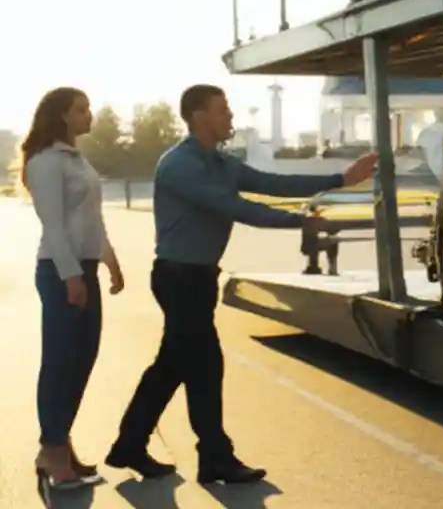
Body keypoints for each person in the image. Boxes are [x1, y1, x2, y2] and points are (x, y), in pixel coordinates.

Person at [105, 84, 377, 484]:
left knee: (176, 365)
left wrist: (341, 178)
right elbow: (234, 207)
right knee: (203, 365)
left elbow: (273, 183)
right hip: (178, 279)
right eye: (222, 110)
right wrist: (298, 222)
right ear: (198, 117)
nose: (230, 117)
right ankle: (212, 456)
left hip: (199, 279)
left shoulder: (223, 163)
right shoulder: (180, 165)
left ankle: (132, 445)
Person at [23, 87, 126, 493]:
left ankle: (58, 444)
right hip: (59, 270)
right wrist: (70, 277)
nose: (90, 115)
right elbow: (53, 223)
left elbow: (91, 220)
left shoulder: (77, 159)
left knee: (82, 360)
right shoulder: (47, 161)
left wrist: (110, 261)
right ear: (63, 115)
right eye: (82, 109)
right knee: (60, 362)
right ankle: (53, 451)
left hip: (84, 268)